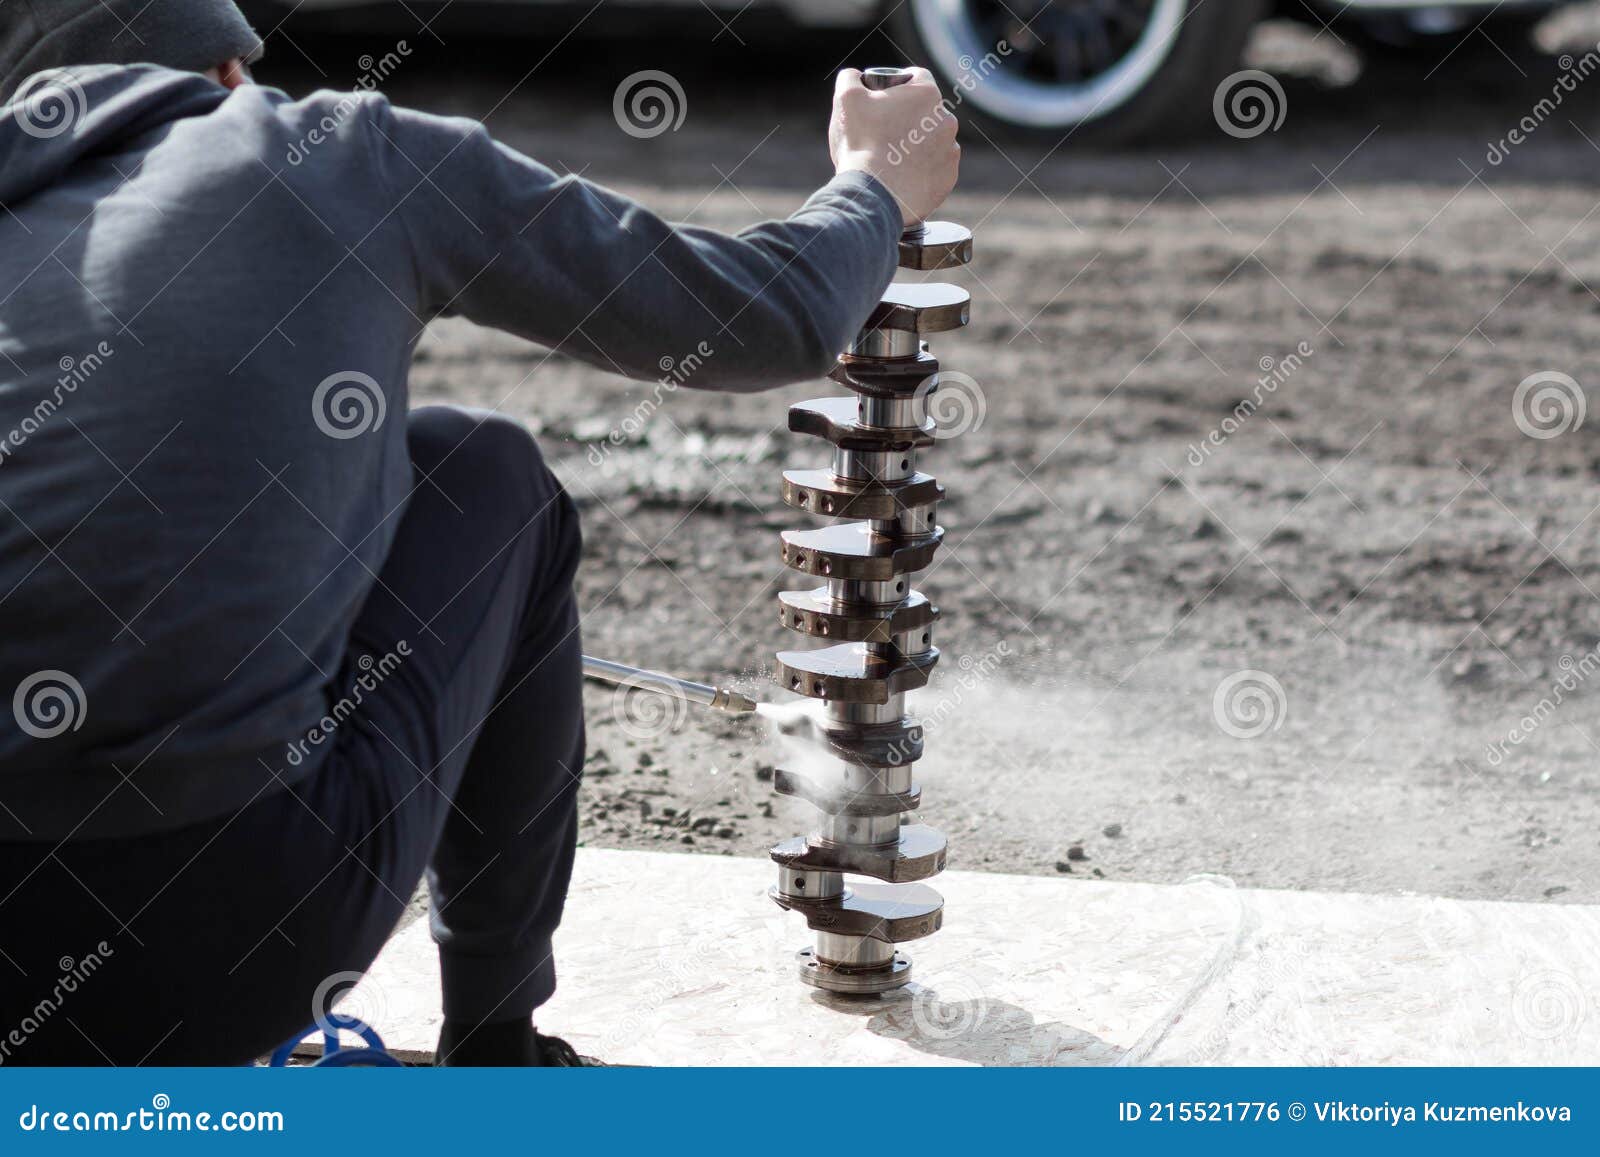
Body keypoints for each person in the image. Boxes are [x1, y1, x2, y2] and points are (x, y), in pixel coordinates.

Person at [0, 0, 959, 1065]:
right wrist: (875, 183)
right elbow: (760, 315)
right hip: (223, 943)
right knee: (479, 473)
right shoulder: (340, 152)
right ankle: (496, 1041)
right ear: (226, 69)